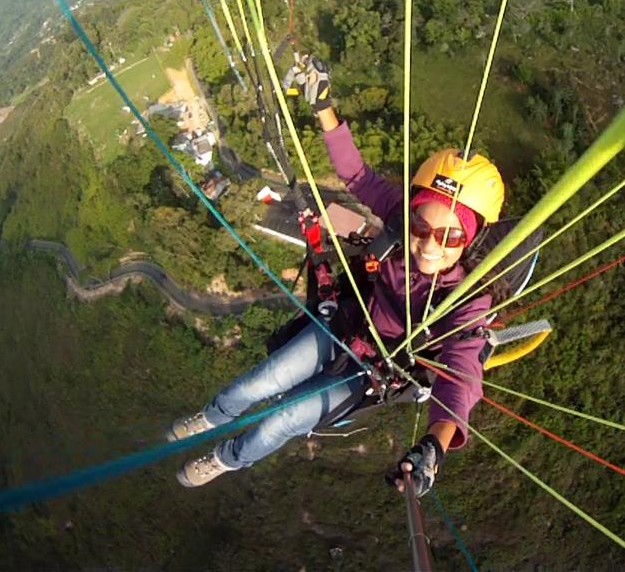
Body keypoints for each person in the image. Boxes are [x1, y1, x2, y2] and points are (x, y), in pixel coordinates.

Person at [169, 56, 504, 497]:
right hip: (348, 325)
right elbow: (357, 176)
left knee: (285, 417)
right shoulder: (402, 220)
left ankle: (226, 457)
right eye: (421, 227)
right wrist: (323, 107)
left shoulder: (467, 299)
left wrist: (433, 448)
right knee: (261, 381)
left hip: (374, 370)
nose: (428, 244)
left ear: (471, 240)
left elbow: (461, 375)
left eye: (449, 236)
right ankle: (214, 414)